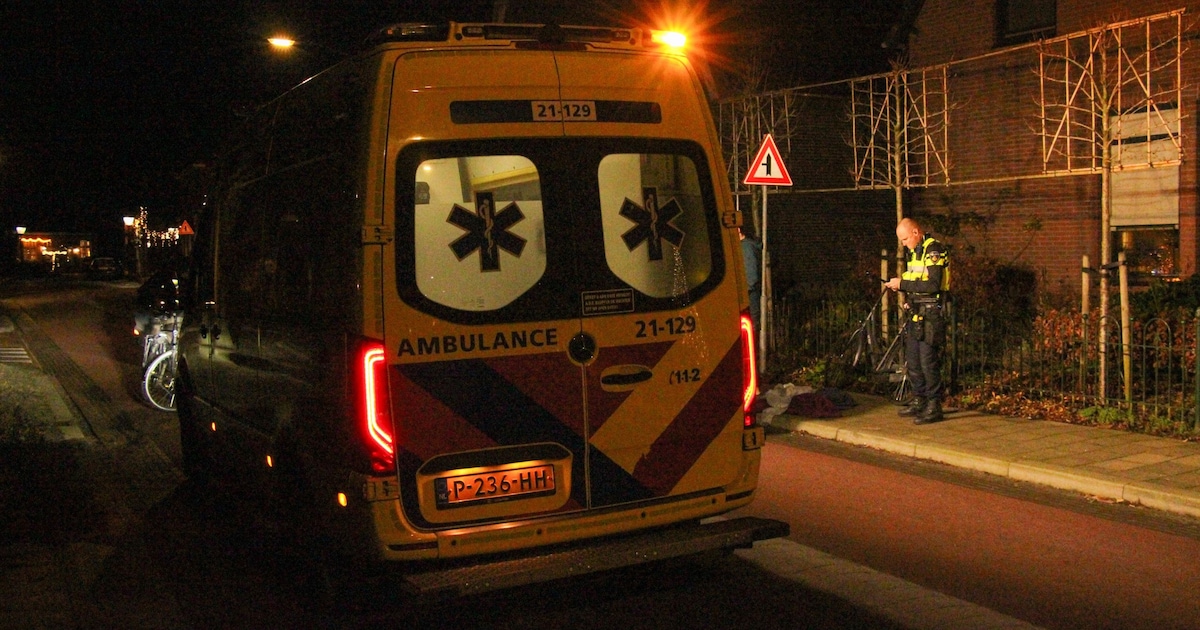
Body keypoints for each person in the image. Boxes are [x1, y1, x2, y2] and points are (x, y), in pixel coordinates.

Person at [884, 218, 950, 424]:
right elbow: (918, 282)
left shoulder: (933, 250)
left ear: (915, 232)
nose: (904, 244)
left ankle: (934, 406)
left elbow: (933, 284)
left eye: (905, 239)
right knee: (913, 360)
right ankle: (919, 400)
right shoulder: (916, 252)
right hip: (917, 312)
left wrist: (902, 284)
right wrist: (909, 300)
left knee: (928, 362)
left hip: (931, 314)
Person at [740, 228, 762, 334]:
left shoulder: (746, 247)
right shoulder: (748, 246)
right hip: (750, 291)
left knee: (752, 324)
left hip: (750, 292)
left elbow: (751, 273)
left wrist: (747, 287)